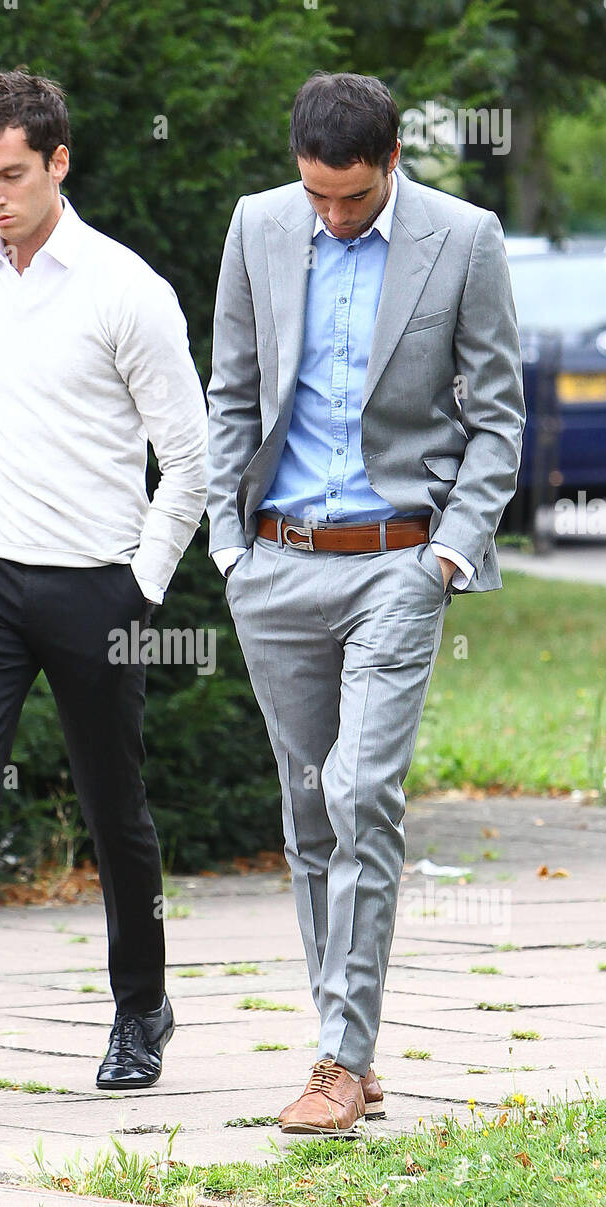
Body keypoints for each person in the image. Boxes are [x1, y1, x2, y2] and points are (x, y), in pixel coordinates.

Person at [0, 67, 207, 1122]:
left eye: (12, 173)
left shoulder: (126, 290)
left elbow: (189, 459)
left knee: (115, 812)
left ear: (58, 161)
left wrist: (139, 586)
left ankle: (140, 1009)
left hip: (95, 590)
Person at [206, 71, 524, 1135]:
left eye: (351, 197)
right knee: (307, 812)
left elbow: (497, 422)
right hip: (277, 564)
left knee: (361, 795)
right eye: (317, 197)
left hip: (399, 562)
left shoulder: (464, 238)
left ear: (391, 162)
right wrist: (228, 546)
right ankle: (343, 1035)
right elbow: (232, 392)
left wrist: (446, 556)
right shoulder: (258, 226)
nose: (331, 216)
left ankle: (339, 1060)